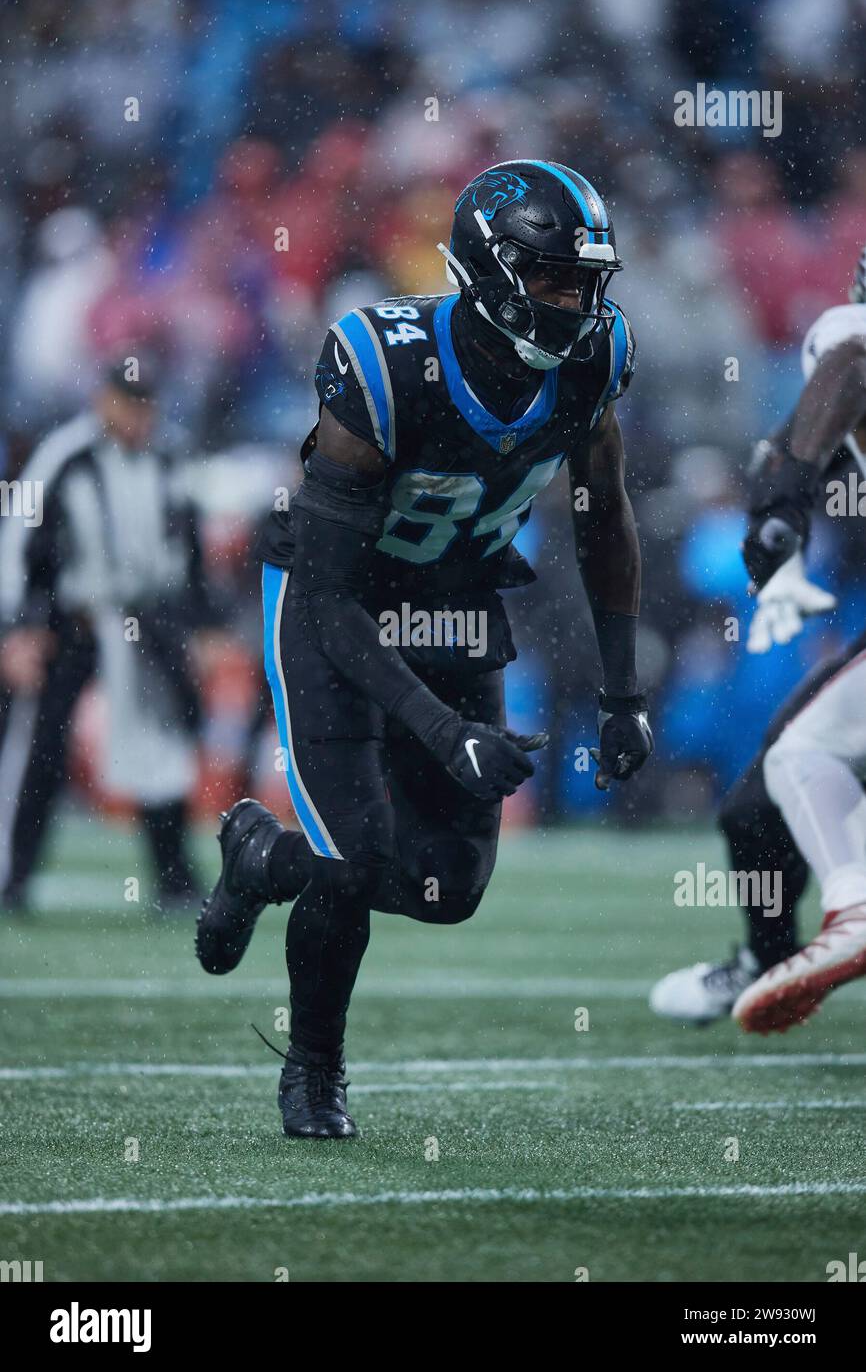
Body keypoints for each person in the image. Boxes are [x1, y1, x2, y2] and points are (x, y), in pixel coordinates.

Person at [196, 161, 654, 1138]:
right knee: (354, 857)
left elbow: (602, 514)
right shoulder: (383, 362)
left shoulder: (592, 358)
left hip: (453, 593)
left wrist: (622, 694)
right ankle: (315, 1072)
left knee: (447, 888)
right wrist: (446, 734)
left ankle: (259, 857)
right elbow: (326, 596)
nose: (575, 302)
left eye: (586, 280)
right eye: (551, 278)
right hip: (335, 601)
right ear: (488, 273)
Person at [651, 247, 866, 1033]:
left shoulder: (849, 340)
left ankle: (852, 912)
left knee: (799, 760)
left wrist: (781, 504)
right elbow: (809, 427)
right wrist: (782, 519)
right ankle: (767, 955)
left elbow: (850, 353)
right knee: (755, 806)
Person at [0, 357, 216, 913]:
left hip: (148, 621)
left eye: (146, 403)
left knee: (161, 741)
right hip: (74, 621)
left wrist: (200, 624)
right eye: (128, 401)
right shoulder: (65, 456)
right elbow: (24, 540)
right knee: (41, 747)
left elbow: (191, 550)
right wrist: (22, 625)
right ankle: (14, 872)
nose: (138, 415)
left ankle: (173, 878)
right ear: (103, 399)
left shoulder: (172, 459)